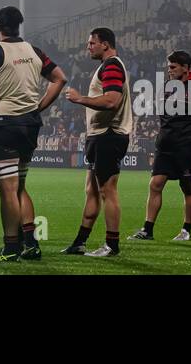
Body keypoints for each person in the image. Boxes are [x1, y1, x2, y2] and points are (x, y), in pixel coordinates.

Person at [0, 5, 66, 260]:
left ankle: (11, 247)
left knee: (7, 189)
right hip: (30, 123)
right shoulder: (34, 51)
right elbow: (60, 78)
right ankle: (32, 243)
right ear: (19, 26)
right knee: (20, 187)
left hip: (5, 123)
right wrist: (40, 107)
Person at [128, 49, 191, 243]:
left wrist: (189, 136)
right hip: (165, 145)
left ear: (185, 68)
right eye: (168, 67)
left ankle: (186, 230)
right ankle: (147, 229)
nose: (169, 70)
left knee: (187, 186)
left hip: (187, 147)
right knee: (155, 184)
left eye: (173, 67)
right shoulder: (165, 88)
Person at [63, 27, 132, 257]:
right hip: (99, 135)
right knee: (92, 190)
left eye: (92, 43)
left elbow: (112, 100)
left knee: (107, 191)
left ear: (105, 44)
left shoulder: (112, 65)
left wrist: (80, 99)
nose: (88, 46)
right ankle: (80, 242)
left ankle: (112, 245)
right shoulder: (107, 66)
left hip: (108, 135)